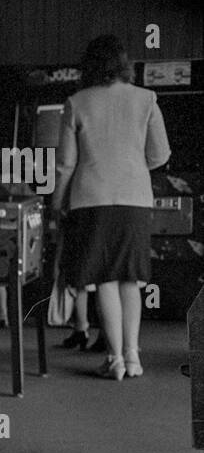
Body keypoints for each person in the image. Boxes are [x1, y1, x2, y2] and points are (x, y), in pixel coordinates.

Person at [54, 35, 171, 379]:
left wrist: (56, 203)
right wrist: (133, 166)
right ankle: (133, 357)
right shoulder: (147, 99)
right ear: (124, 64)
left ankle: (115, 359)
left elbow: (64, 164)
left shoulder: (76, 102)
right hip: (135, 199)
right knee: (130, 279)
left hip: (91, 200)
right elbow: (161, 154)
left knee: (104, 279)